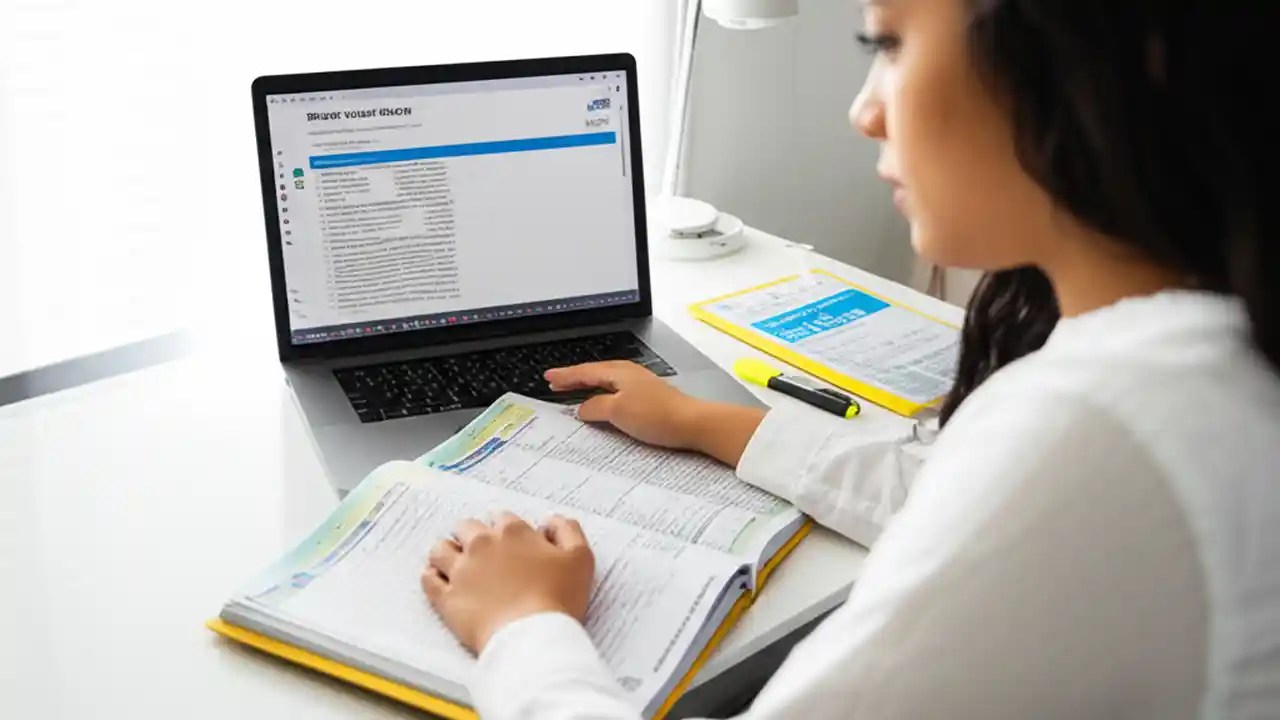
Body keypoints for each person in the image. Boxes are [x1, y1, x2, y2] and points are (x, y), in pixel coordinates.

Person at [420, 1, 1280, 717]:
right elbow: (942, 491)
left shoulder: (1103, 425)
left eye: (891, 45)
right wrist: (703, 421)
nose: (864, 111)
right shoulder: (1208, 349)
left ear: (1096, 59)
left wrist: (522, 624)